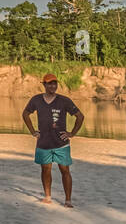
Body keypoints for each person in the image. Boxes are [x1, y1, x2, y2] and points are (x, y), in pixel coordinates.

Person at [21, 73, 83, 207]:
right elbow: (25, 114)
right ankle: (47, 197)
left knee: (65, 170)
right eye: (49, 83)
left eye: (54, 83)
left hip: (61, 144)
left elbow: (80, 116)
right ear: (44, 85)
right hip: (43, 143)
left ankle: (68, 200)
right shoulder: (36, 100)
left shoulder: (64, 100)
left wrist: (72, 133)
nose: (52, 86)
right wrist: (32, 131)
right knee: (45, 170)